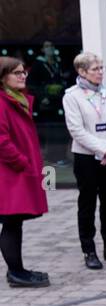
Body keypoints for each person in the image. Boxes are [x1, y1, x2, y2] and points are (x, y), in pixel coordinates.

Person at [62, 52, 106, 270]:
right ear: (82, 72)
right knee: (88, 203)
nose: (100, 72)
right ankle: (89, 250)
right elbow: (77, 131)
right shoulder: (72, 96)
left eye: (102, 68)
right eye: (95, 69)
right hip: (87, 158)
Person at [0, 57, 50, 288]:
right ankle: (16, 273)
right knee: (11, 222)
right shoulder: (2, 102)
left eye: (23, 72)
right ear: (3, 77)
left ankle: (18, 270)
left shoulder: (17, 99)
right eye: (16, 73)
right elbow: (1, 141)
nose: (22, 76)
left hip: (15, 172)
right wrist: (21, 162)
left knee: (15, 222)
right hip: (8, 174)